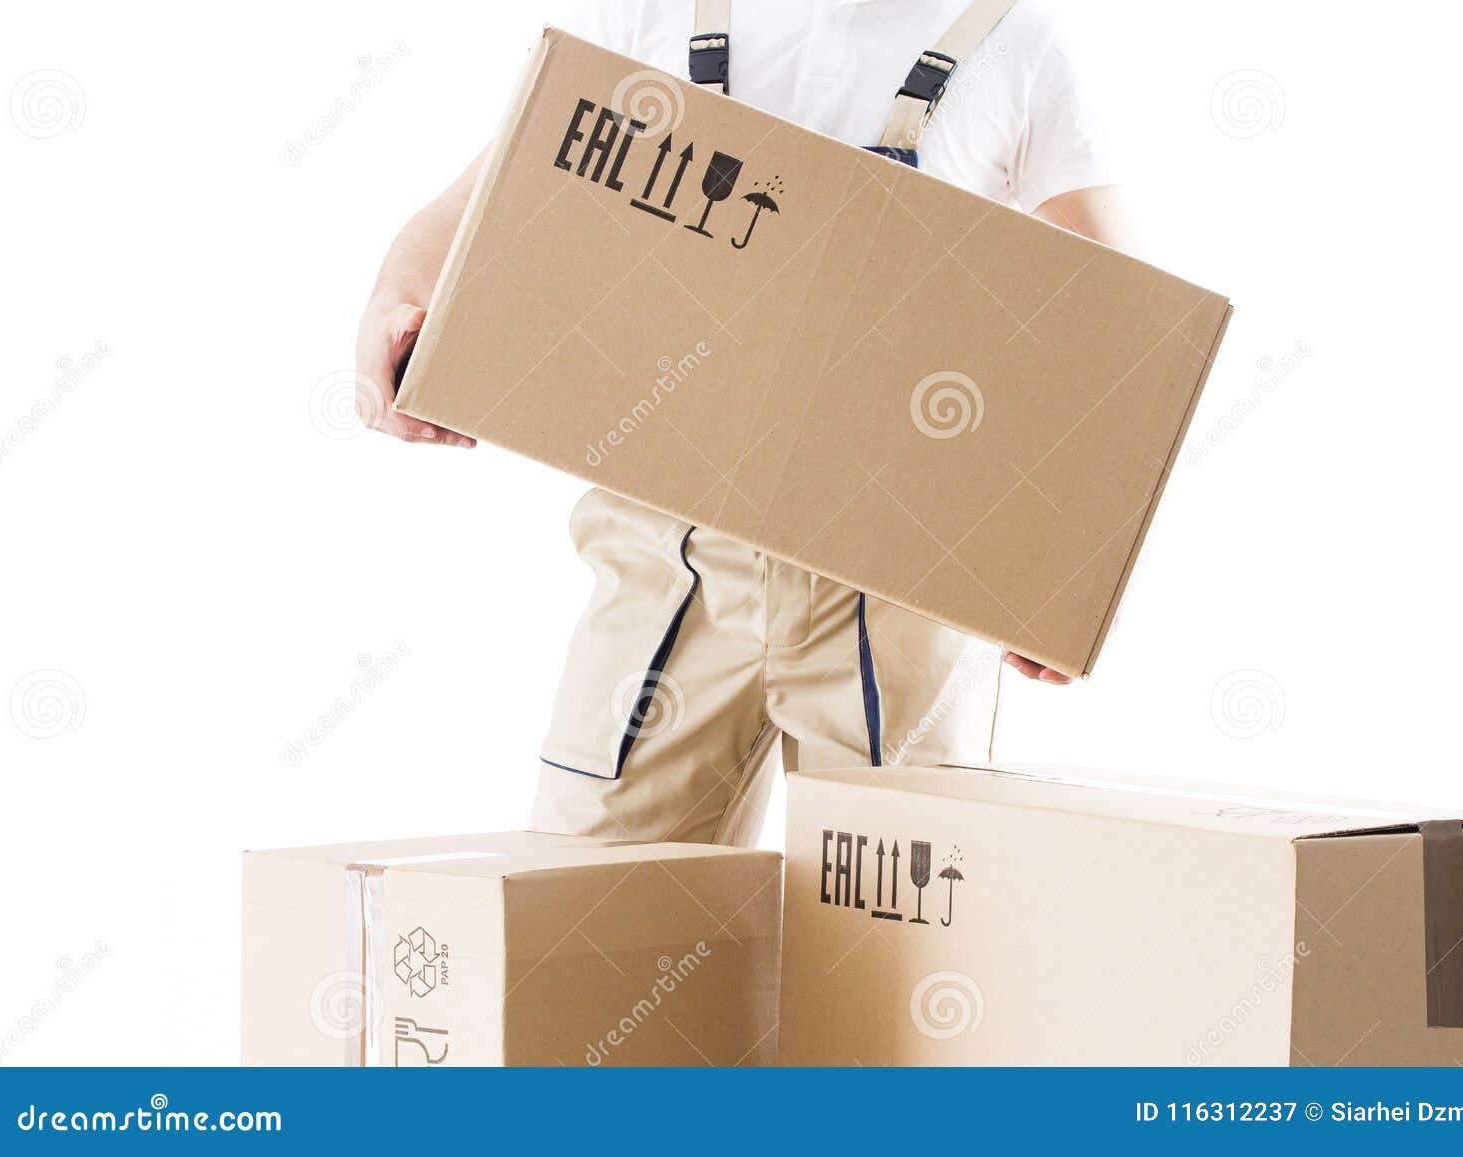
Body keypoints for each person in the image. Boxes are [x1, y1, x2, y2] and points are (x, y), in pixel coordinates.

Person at [353, 0, 1131, 846]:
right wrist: (394, 304)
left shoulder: (1011, 40)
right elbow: (473, 202)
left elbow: (1124, 328)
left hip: (897, 593)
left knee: (898, 949)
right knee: (593, 919)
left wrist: (1074, 569)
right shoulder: (642, 16)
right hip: (664, 569)